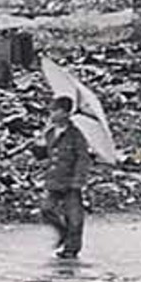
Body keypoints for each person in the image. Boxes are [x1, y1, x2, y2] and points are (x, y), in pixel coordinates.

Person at [39, 94, 91, 259]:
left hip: (71, 181)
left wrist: (78, 180)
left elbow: (83, 158)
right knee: (46, 209)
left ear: (66, 113)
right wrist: (35, 148)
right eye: (52, 110)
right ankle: (62, 232)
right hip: (54, 180)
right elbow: (46, 155)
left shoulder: (76, 135)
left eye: (56, 111)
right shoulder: (49, 133)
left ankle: (71, 249)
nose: (52, 114)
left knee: (74, 217)